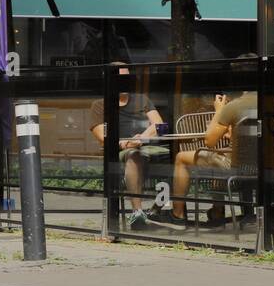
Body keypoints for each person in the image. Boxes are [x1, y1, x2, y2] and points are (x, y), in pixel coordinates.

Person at [154, 54, 261, 229]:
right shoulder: (272, 103)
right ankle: (217, 212)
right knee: (216, 158)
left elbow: (209, 141)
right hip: (261, 166)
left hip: (236, 168)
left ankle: (177, 215)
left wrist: (219, 110)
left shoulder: (234, 106)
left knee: (181, 157)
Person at [90, 62, 167, 231]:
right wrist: (124, 143)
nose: (124, 82)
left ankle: (164, 211)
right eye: (120, 79)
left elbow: (160, 125)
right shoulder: (100, 104)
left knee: (176, 159)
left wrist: (143, 137)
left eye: (126, 78)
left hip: (147, 147)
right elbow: (102, 136)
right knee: (134, 155)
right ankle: (137, 212)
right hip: (122, 151)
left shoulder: (141, 99)